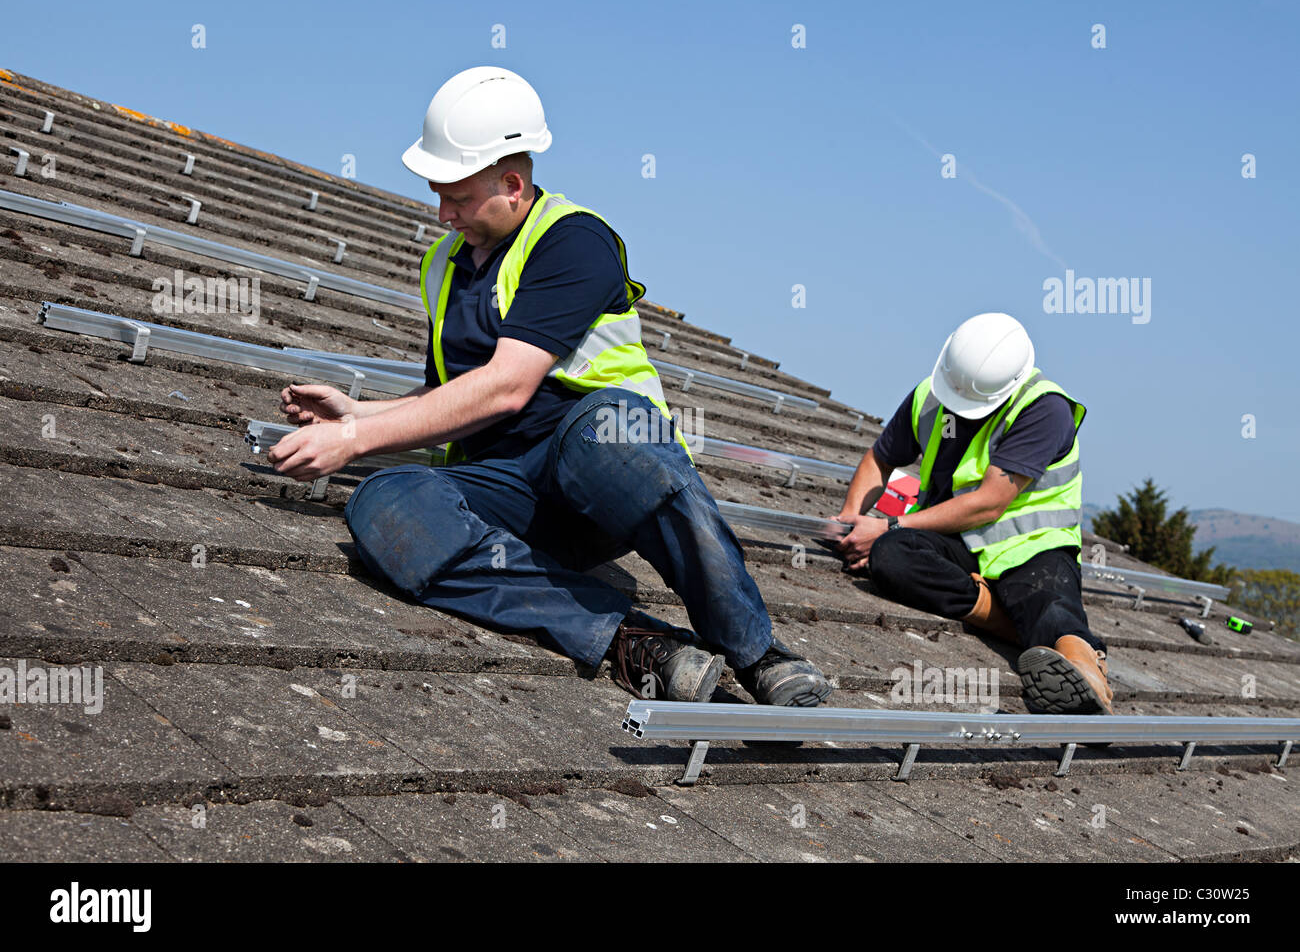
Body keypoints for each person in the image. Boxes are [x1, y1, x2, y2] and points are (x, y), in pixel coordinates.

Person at [267, 66, 831, 708]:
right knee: (384, 506)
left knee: (608, 434)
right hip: (509, 488)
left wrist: (356, 436)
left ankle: (757, 653)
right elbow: (457, 396)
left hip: (607, 477)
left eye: (456, 197)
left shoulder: (574, 240)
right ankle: (636, 641)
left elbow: (507, 386)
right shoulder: (443, 265)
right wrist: (360, 411)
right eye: (438, 194)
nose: (442, 213)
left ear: (512, 183)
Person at [831, 312, 1112, 714]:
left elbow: (989, 502)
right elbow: (881, 458)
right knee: (892, 555)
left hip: (1029, 548)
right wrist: (849, 521)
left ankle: (1086, 675)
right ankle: (1024, 629)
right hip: (954, 539)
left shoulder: (1044, 409)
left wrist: (889, 522)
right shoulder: (930, 396)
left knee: (1050, 606)